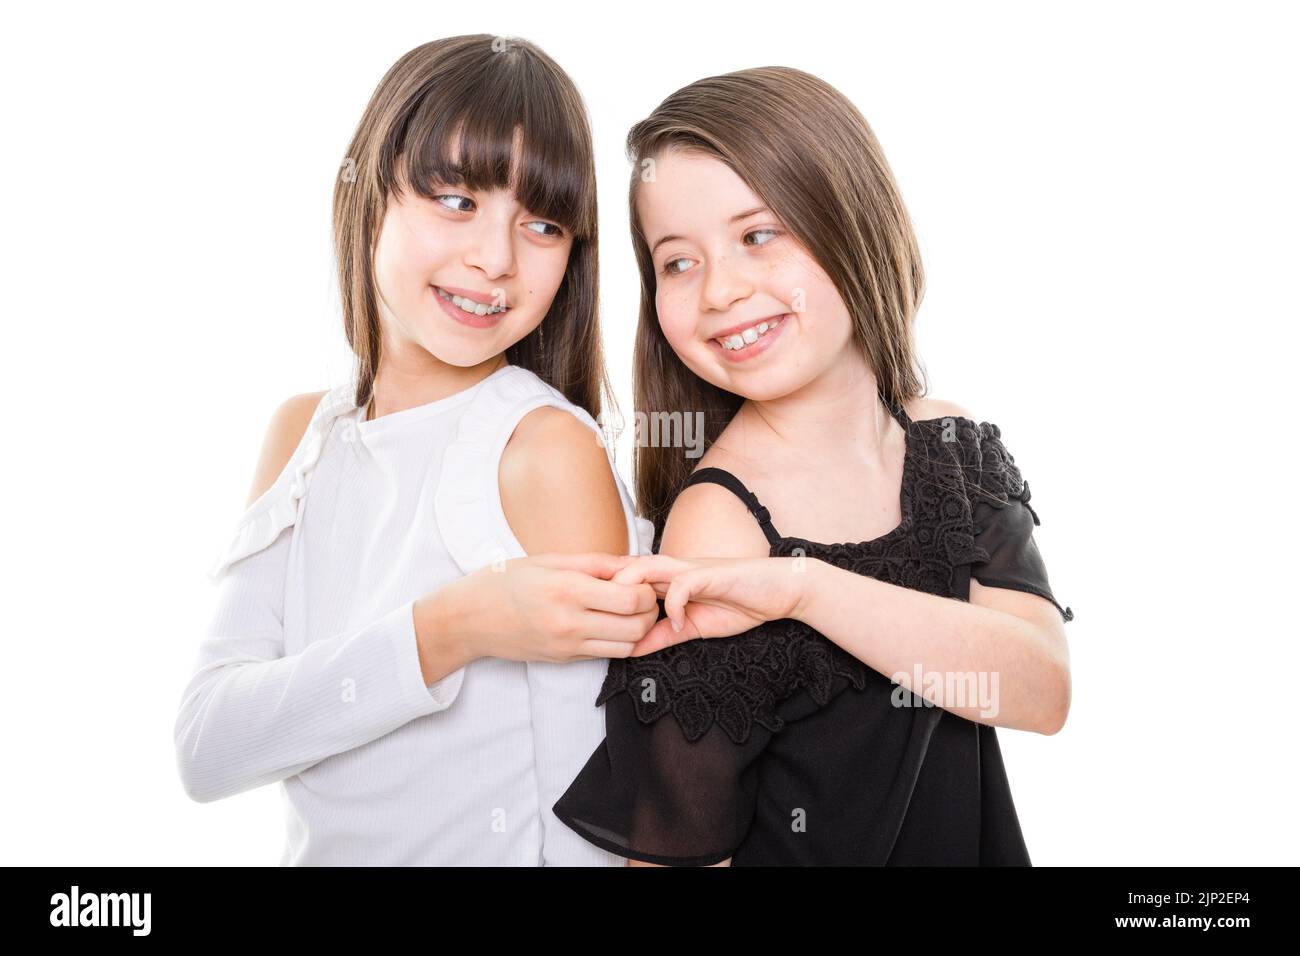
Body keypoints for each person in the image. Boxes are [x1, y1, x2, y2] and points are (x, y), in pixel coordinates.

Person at [553, 66, 1075, 866]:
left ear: (852, 223)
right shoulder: (719, 522)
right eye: (678, 262)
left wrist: (809, 588)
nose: (721, 289)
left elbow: (1039, 691)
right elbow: (680, 851)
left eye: (758, 235)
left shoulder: (950, 446)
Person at [174, 35, 658, 866]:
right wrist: (454, 627)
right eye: (457, 200)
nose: (496, 259)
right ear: (369, 193)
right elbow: (209, 747)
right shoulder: (305, 434)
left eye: (541, 224)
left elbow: (594, 819)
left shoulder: (541, 451)